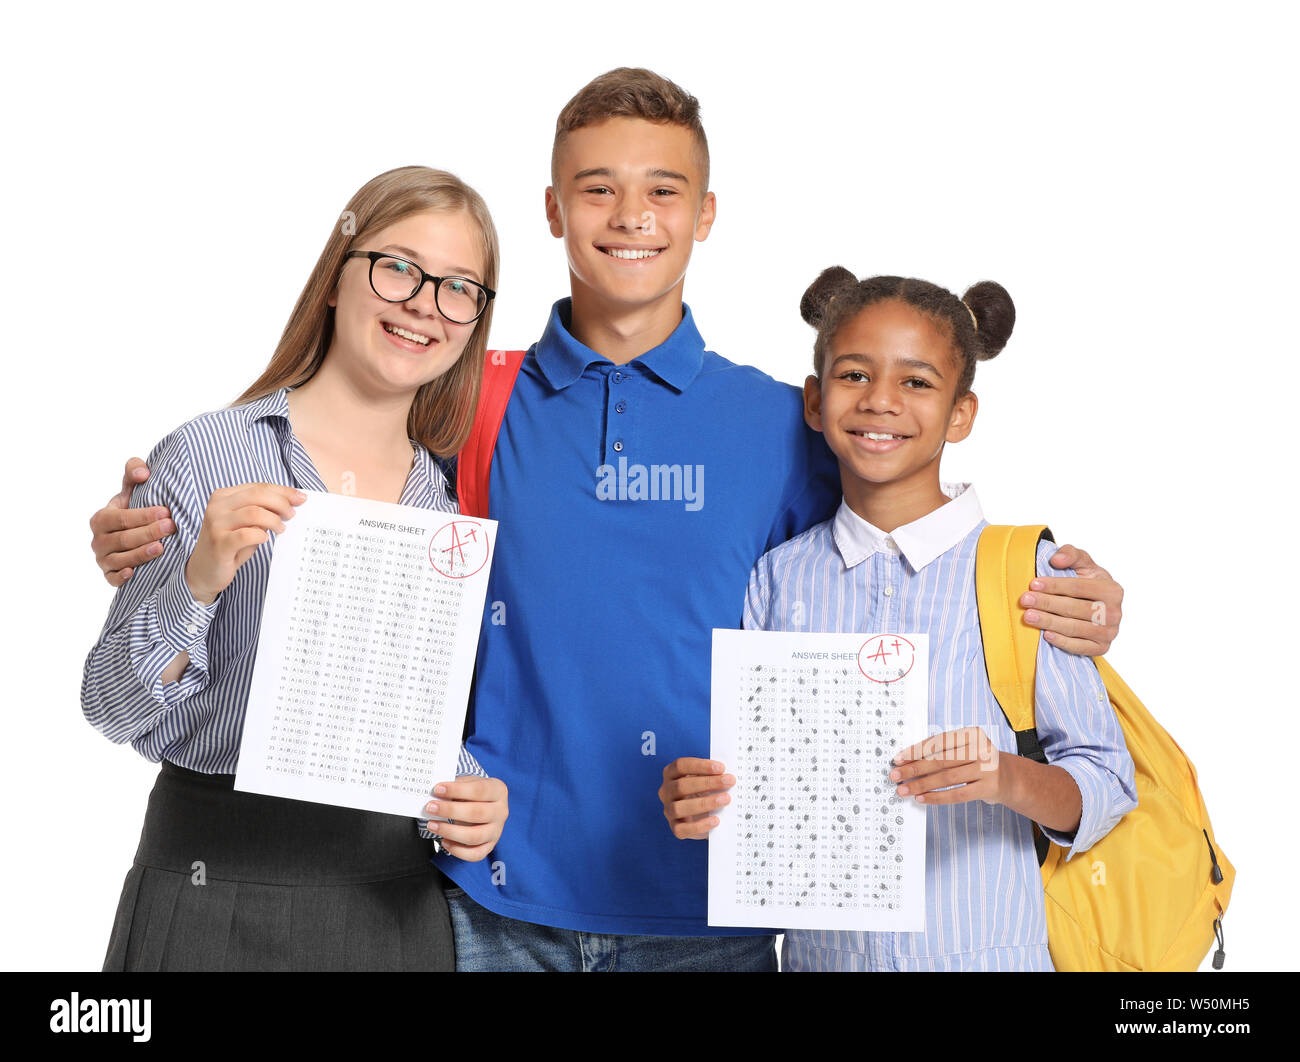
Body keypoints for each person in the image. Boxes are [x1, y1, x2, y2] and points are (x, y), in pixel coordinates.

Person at [89, 70, 1125, 972]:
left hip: (711, 918)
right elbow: (333, 449)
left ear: (706, 213)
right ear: (552, 208)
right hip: (487, 901)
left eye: (662, 190)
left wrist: (1064, 590)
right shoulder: (468, 401)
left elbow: (895, 538)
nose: (630, 216)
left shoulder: (780, 422)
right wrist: (154, 524)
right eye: (598, 188)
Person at [81, 166, 510, 971]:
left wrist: (471, 797)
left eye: (459, 288)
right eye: (399, 267)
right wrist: (197, 581)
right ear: (336, 280)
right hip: (210, 886)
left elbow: (404, 721)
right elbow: (108, 708)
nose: (425, 303)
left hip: (392, 905)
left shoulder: (447, 512)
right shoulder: (208, 453)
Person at [659, 269, 1139, 970]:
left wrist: (1007, 778)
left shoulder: (1023, 572)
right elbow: (753, 786)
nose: (881, 401)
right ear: (816, 402)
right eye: (854, 374)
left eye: (916, 382)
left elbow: (1106, 783)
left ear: (960, 414)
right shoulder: (778, 578)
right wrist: (701, 801)